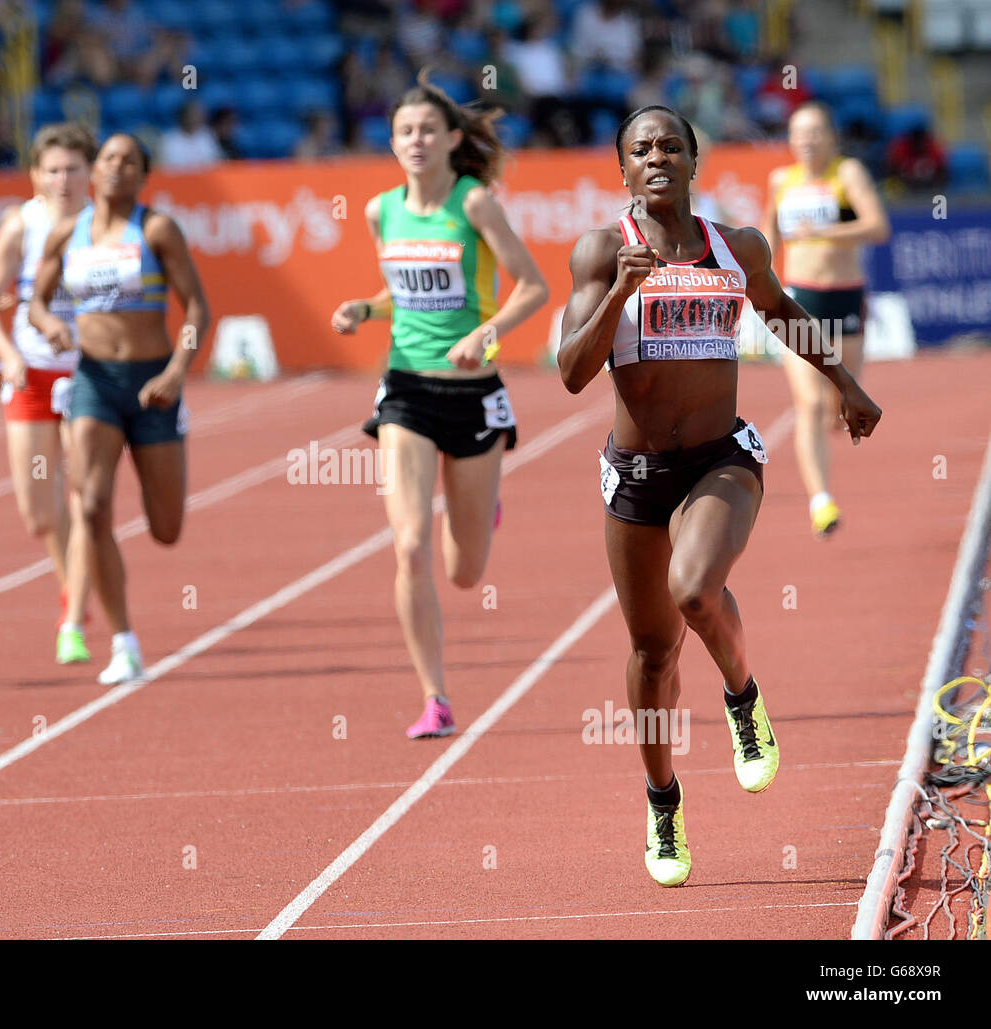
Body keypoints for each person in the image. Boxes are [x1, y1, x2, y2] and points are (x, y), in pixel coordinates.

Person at [559, 105, 881, 886]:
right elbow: (571, 370)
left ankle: (743, 698)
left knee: (696, 590)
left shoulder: (735, 246)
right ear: (624, 171)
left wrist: (844, 382)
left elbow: (780, 310)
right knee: (651, 652)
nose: (657, 156)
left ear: (694, 161)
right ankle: (663, 801)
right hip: (636, 475)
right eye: (641, 149)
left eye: (672, 145)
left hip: (719, 459)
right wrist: (615, 299)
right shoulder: (604, 251)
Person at [331, 72, 549, 740]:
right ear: (392, 142)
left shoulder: (475, 203)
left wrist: (486, 333)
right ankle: (436, 697)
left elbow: (533, 287)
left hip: (475, 395)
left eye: (428, 129)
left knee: (465, 569)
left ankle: (481, 506)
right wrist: (365, 307)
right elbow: (403, 290)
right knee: (411, 545)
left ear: (454, 138)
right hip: (407, 390)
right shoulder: (380, 211)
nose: (415, 140)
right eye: (404, 131)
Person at [30, 133, 209, 685]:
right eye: (108, 158)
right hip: (94, 382)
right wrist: (50, 323)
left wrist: (177, 371)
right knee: (89, 506)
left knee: (166, 528)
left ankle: (123, 635)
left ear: (143, 174)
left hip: (152, 382)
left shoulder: (156, 230)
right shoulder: (68, 233)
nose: (116, 167)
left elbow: (198, 305)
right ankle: (123, 642)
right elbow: (34, 301)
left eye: (129, 160)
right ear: (94, 171)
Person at [0, 122, 95, 663]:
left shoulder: (105, 225)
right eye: (53, 170)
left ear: (90, 172)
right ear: (35, 176)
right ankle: (73, 582)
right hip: (30, 376)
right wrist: (9, 353)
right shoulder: (22, 226)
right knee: (38, 514)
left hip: (88, 375)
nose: (63, 179)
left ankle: (74, 614)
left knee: (84, 495)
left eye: (72, 169)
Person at [761, 100, 890, 538]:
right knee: (811, 405)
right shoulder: (782, 181)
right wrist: (759, 293)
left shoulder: (846, 173)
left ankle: (835, 423)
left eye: (816, 132)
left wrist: (826, 233)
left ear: (831, 137)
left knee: (840, 409)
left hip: (845, 299)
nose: (808, 141)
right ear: (791, 141)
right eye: (799, 133)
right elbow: (765, 243)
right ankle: (821, 501)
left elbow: (877, 226)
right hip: (800, 300)